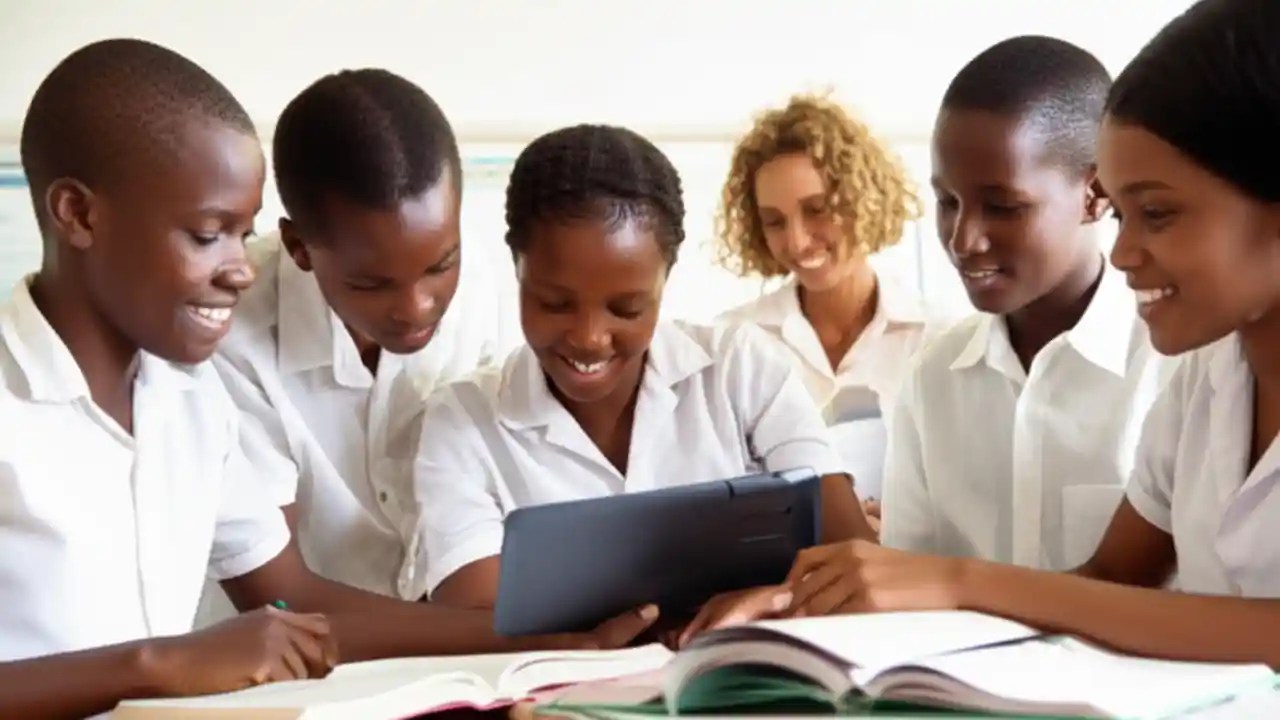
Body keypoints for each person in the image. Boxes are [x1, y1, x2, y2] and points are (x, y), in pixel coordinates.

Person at [0, 39, 653, 718]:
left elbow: (292, 604)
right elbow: (238, 628)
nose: (241, 269)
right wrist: (154, 665)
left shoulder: (186, 398)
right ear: (78, 214)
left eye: (241, 233)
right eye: (207, 235)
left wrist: (562, 636)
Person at [686, 0, 1280, 668]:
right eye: (948, 201)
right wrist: (813, 601)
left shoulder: (1172, 359)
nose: (1123, 251)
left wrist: (959, 580)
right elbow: (1110, 584)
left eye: (1157, 213)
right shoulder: (1210, 375)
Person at [404, 124, 876, 610]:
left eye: (626, 309)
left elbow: (851, 557)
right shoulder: (464, 420)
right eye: (554, 303)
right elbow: (476, 609)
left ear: (664, 281)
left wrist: (766, 599)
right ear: (518, 269)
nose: (589, 337)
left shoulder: (742, 369)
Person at [202, 69, 501, 619]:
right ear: (299, 248)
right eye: (372, 283)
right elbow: (279, 596)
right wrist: (502, 634)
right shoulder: (229, 339)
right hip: (286, 668)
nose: (416, 307)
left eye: (440, 265)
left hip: (456, 644)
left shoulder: (481, 279)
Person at [878, 35, 1172, 572]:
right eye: (948, 202)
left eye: (1002, 207)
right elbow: (906, 578)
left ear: (1096, 193)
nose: (963, 239)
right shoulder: (934, 377)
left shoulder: (1174, 366)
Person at [715, 95, 949, 517]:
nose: (798, 241)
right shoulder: (735, 344)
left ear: (862, 201)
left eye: (817, 211)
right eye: (775, 221)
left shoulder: (940, 340)